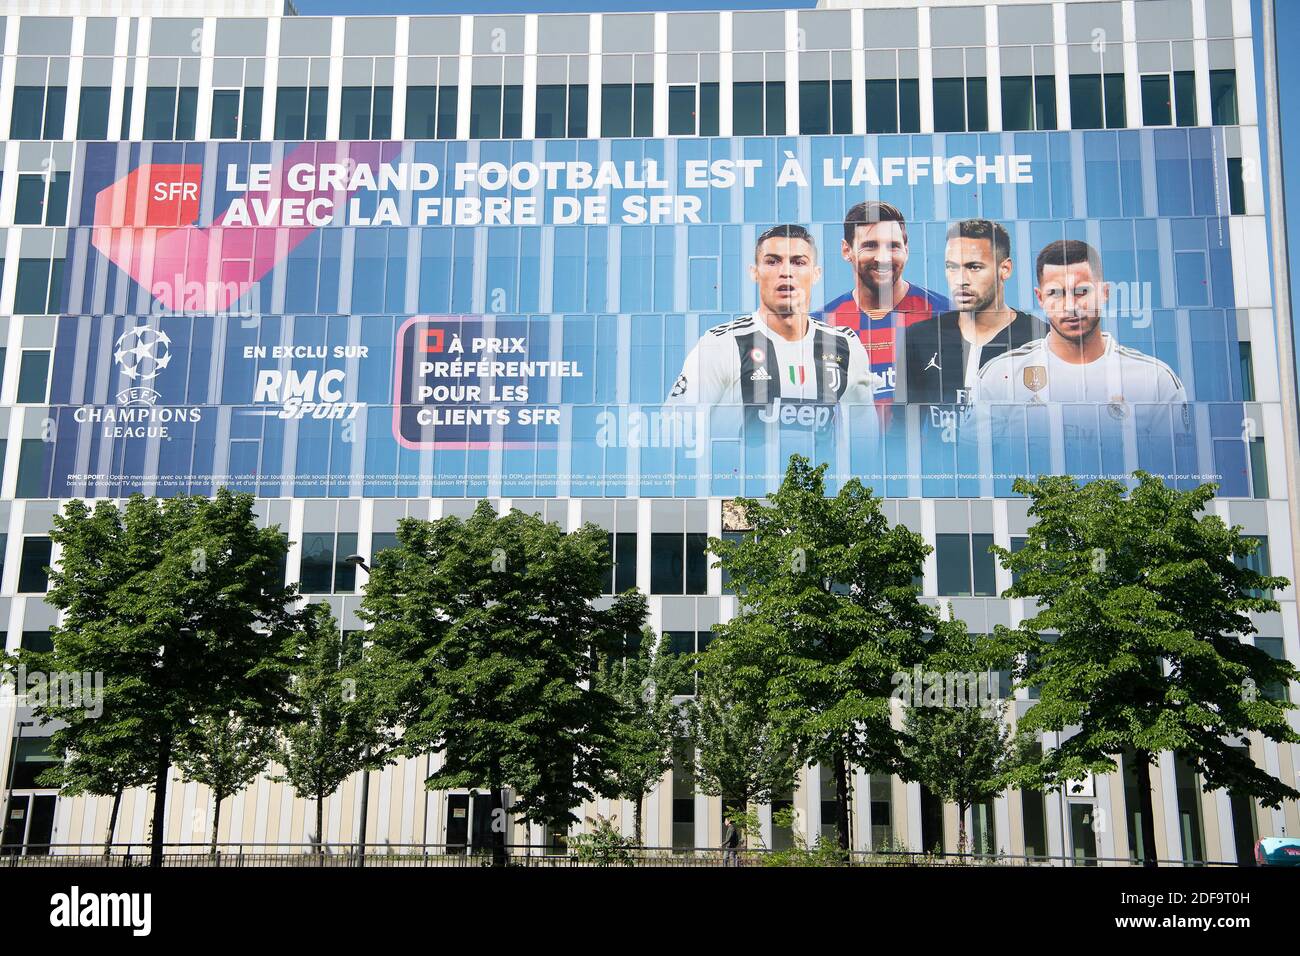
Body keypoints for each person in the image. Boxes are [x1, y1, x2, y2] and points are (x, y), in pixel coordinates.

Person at [666, 224, 876, 407]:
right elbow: (675, 432)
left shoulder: (845, 345)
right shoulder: (720, 345)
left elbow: (863, 437)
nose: (786, 271)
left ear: (816, 274)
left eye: (798, 262)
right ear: (754, 272)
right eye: (772, 261)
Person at [973, 239, 1186, 405]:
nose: (1070, 306)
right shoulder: (999, 376)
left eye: (1082, 291)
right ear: (1040, 299)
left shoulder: (1155, 381)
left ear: (1104, 293)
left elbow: (1178, 456)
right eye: (1055, 293)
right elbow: (975, 456)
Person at [906, 218, 1048, 404]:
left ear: (1005, 269)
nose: (961, 280)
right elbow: (902, 427)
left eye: (974, 267)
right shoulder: (919, 337)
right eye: (952, 267)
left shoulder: (1041, 339)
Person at [823, 201, 950, 403]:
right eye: (870, 246)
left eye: (893, 246)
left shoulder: (947, 316)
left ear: (906, 250)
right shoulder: (823, 326)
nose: (883, 258)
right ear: (847, 250)